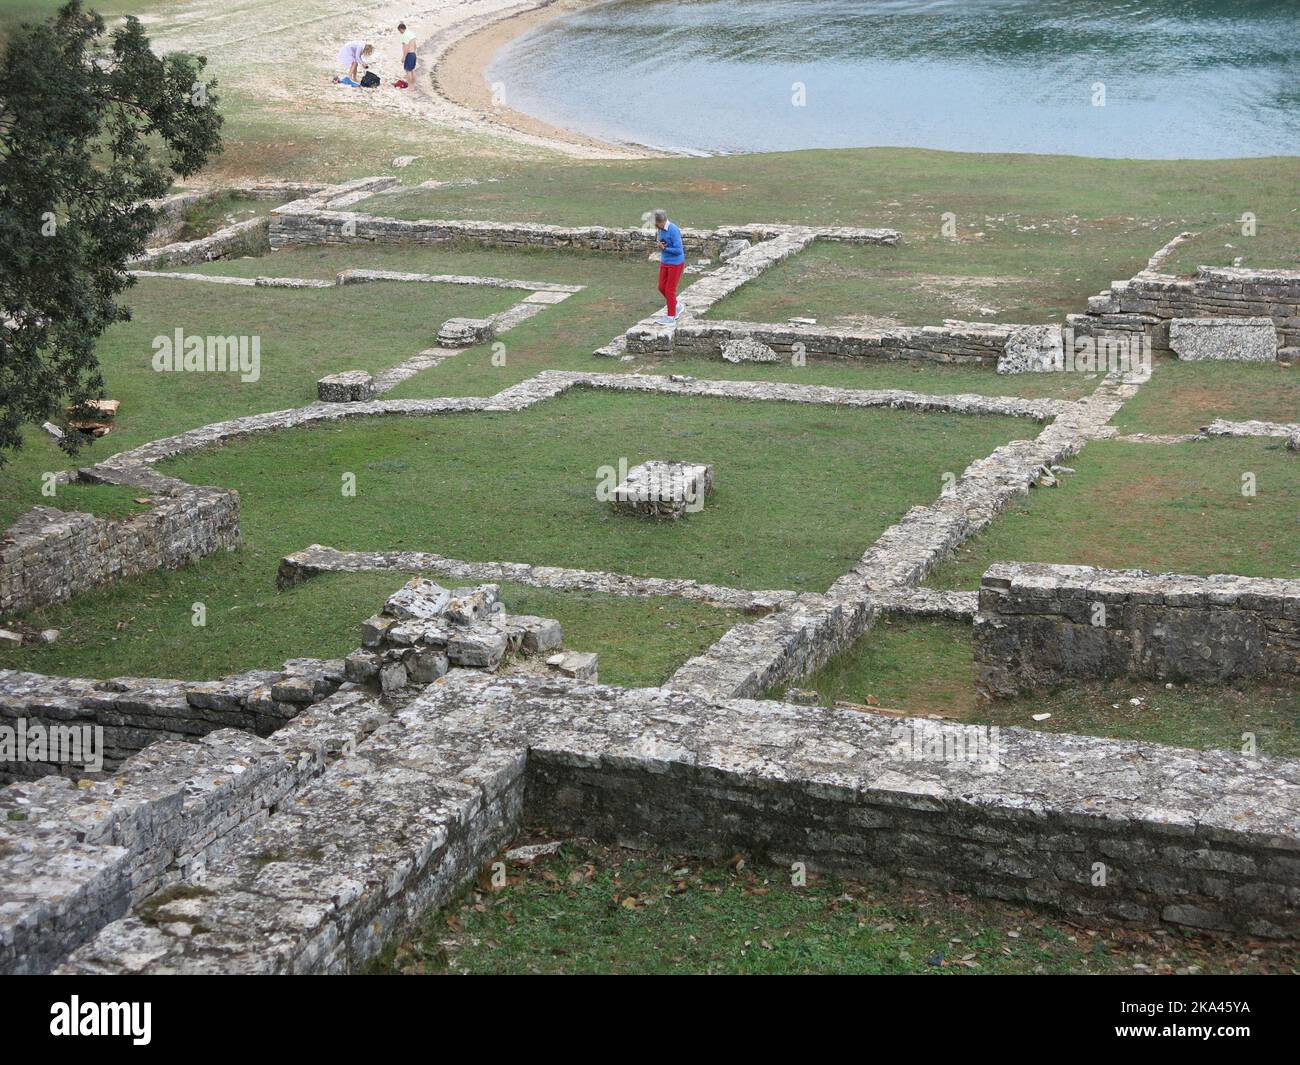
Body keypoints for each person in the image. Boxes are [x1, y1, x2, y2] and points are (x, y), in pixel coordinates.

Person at [652, 209, 685, 325]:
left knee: (670, 290)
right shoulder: (660, 229)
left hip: (675, 263)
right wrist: (661, 245)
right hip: (665, 262)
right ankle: (676, 305)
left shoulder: (673, 230)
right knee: (661, 287)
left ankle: (671, 316)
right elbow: (663, 242)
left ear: (662, 221)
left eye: (656, 224)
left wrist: (665, 249)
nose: (656, 226)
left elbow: (678, 250)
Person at [397, 23, 417, 88]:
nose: (400, 33)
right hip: (413, 54)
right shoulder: (411, 34)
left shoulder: (405, 35)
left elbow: (406, 47)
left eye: (400, 31)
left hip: (409, 54)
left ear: (401, 29)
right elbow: (415, 45)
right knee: (413, 70)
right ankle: (413, 85)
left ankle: (410, 87)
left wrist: (404, 57)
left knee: (408, 70)